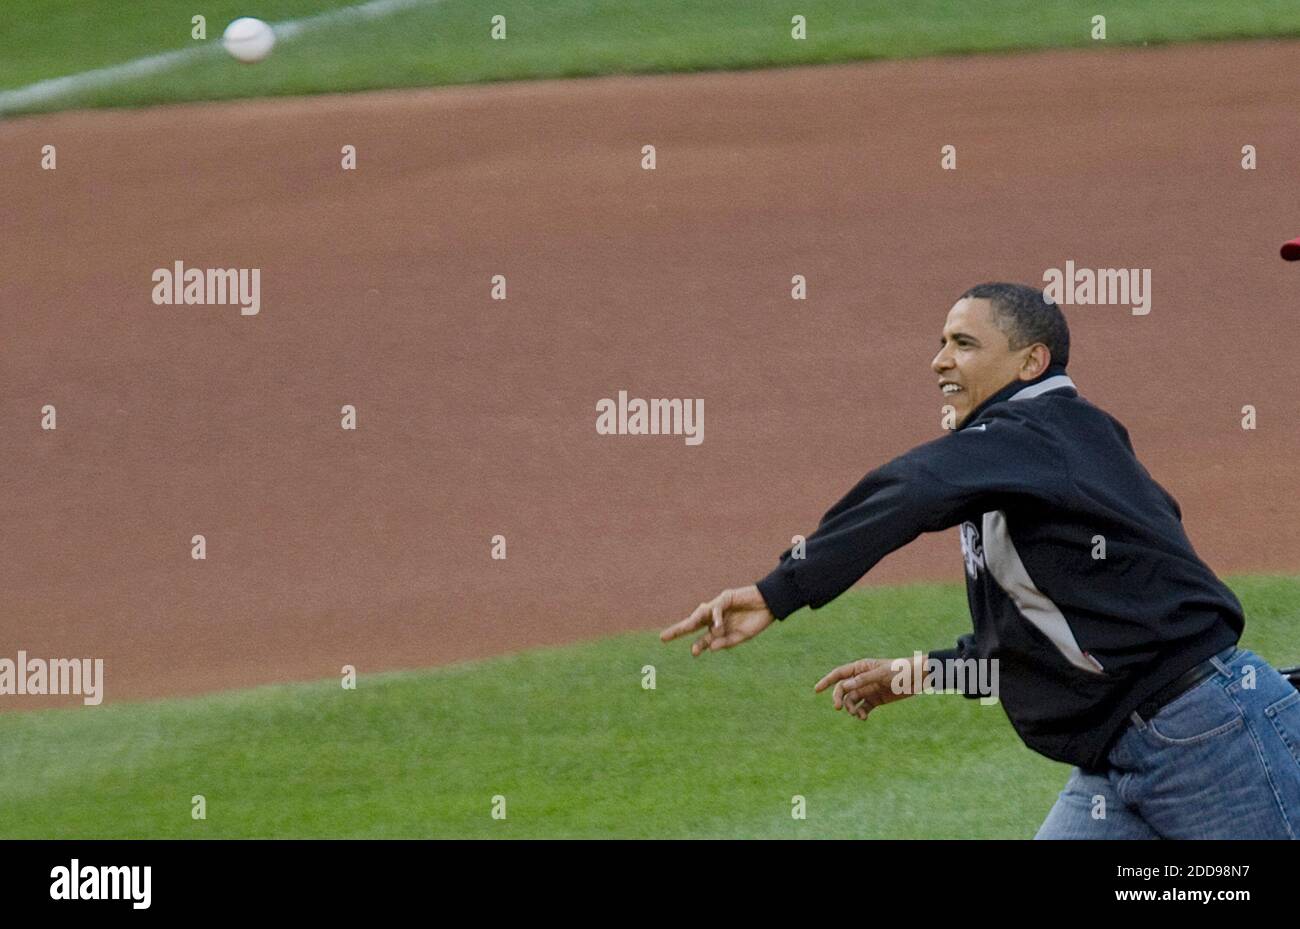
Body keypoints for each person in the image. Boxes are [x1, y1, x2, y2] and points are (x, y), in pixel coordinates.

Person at [661, 282, 1300, 839]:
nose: (940, 360)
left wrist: (780, 590)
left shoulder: (1043, 431)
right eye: (942, 342)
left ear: (1031, 362)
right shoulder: (1023, 466)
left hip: (1208, 739)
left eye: (964, 344)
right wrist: (923, 674)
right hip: (1127, 750)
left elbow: (911, 488)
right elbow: (1041, 648)